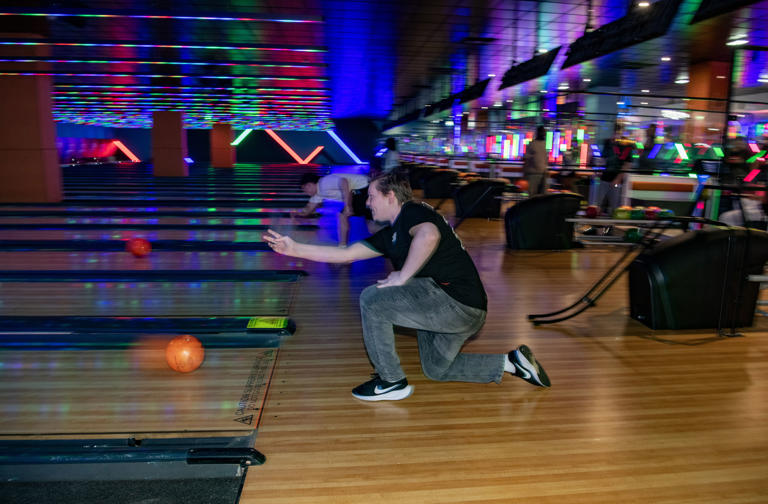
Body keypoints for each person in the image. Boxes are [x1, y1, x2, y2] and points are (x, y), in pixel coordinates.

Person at [265, 172, 551, 402]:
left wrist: (402, 276)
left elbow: (428, 236)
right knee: (437, 370)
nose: (368, 203)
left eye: (372, 196)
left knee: (373, 300)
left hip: (457, 305)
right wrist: (295, 249)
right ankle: (512, 363)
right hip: (458, 308)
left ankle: (391, 381)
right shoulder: (392, 233)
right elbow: (346, 254)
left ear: (391, 196)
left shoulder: (413, 212)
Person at [295, 172, 371, 247]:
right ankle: (376, 242)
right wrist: (297, 214)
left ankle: (342, 245)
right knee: (370, 221)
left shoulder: (323, 182)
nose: (306, 192)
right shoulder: (318, 195)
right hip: (361, 190)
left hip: (362, 187)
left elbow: (343, 182)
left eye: (305, 189)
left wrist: (347, 205)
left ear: (309, 185)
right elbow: (308, 209)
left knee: (343, 216)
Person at [523, 126, 549, 196]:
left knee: (538, 196)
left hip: (541, 174)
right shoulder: (532, 144)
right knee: (533, 195)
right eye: (543, 132)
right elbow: (527, 160)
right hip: (533, 174)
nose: (544, 134)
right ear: (539, 133)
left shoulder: (542, 144)